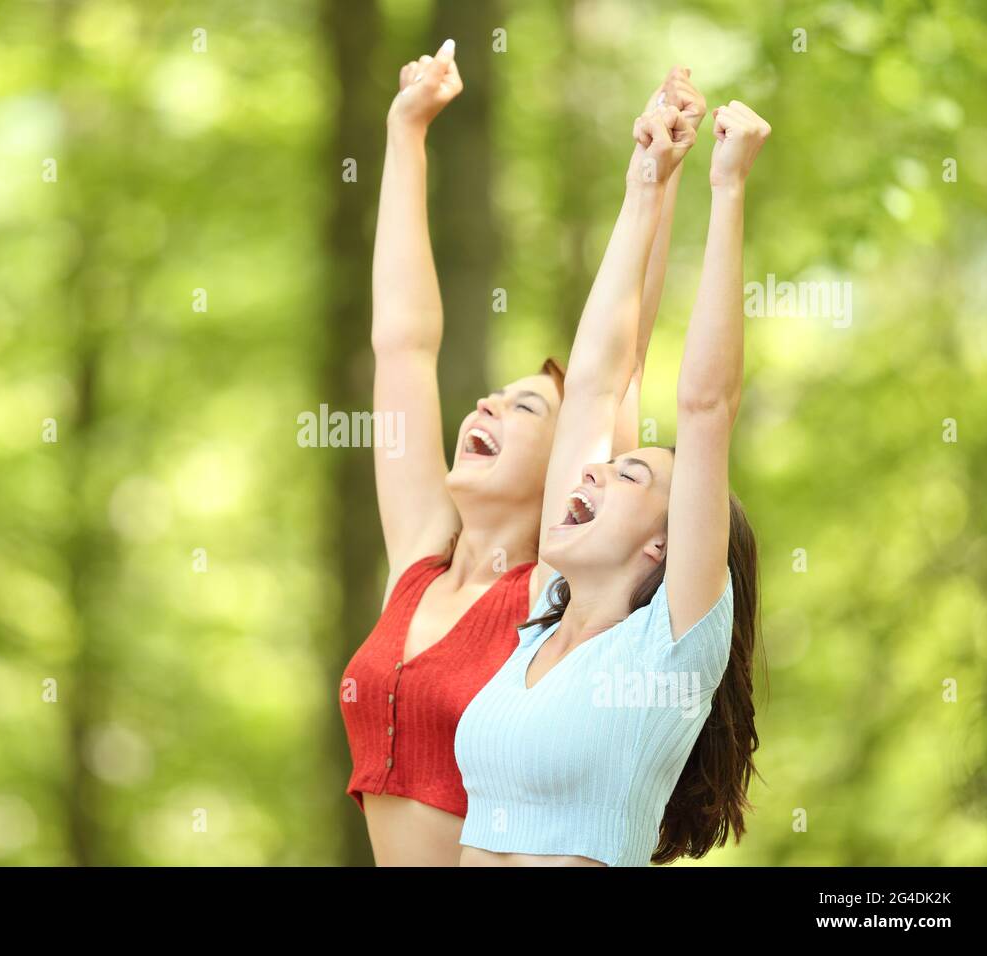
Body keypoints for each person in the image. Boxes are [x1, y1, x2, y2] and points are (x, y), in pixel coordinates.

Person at [338, 40, 696, 866]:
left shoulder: (549, 598)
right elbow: (402, 345)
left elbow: (614, 367)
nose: (486, 403)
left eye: (525, 405)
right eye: (493, 395)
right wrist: (406, 133)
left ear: (568, 466)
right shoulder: (418, 563)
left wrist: (658, 179)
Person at [453, 98, 771, 866]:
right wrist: (646, 182)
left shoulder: (669, 647)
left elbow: (704, 409)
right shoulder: (538, 617)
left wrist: (727, 192)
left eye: (631, 473)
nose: (594, 465)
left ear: (664, 545)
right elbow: (595, 383)